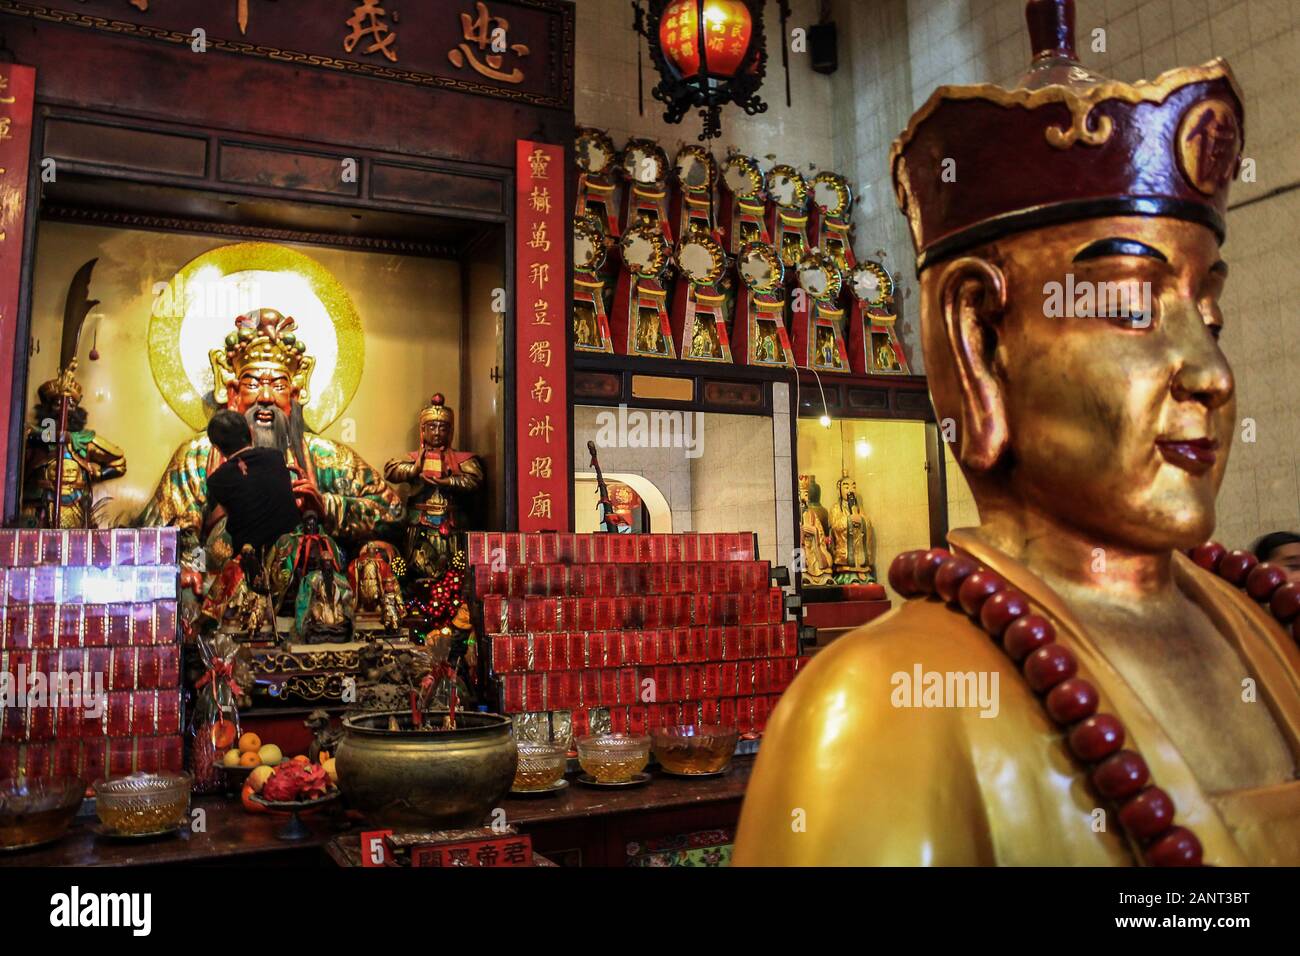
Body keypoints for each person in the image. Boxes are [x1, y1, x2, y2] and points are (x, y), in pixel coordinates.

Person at [735, 0, 1299, 866]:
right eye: (1131, 308)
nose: (1211, 375)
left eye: (1209, 315)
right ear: (980, 344)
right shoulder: (882, 709)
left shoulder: (1268, 632)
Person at [203, 409, 303, 556]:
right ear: (251, 432)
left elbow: (217, 518)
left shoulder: (217, 481)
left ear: (216, 448)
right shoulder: (276, 457)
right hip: (294, 553)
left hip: (251, 562)